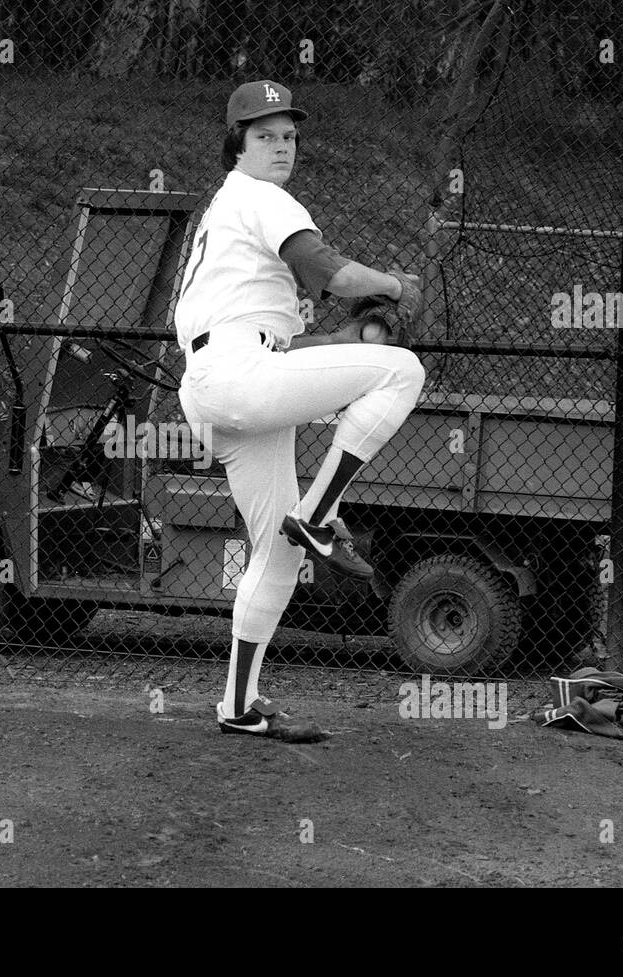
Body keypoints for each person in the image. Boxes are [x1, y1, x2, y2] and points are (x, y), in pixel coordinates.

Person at [175, 80, 426, 740]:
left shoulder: (227, 211)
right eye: (265, 135)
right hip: (238, 373)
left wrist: (342, 342)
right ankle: (316, 513)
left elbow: (271, 337)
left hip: (224, 385)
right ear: (238, 144)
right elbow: (332, 273)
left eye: (289, 136)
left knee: (277, 555)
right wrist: (396, 285)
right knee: (403, 371)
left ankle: (238, 702)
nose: (282, 146)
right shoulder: (258, 195)